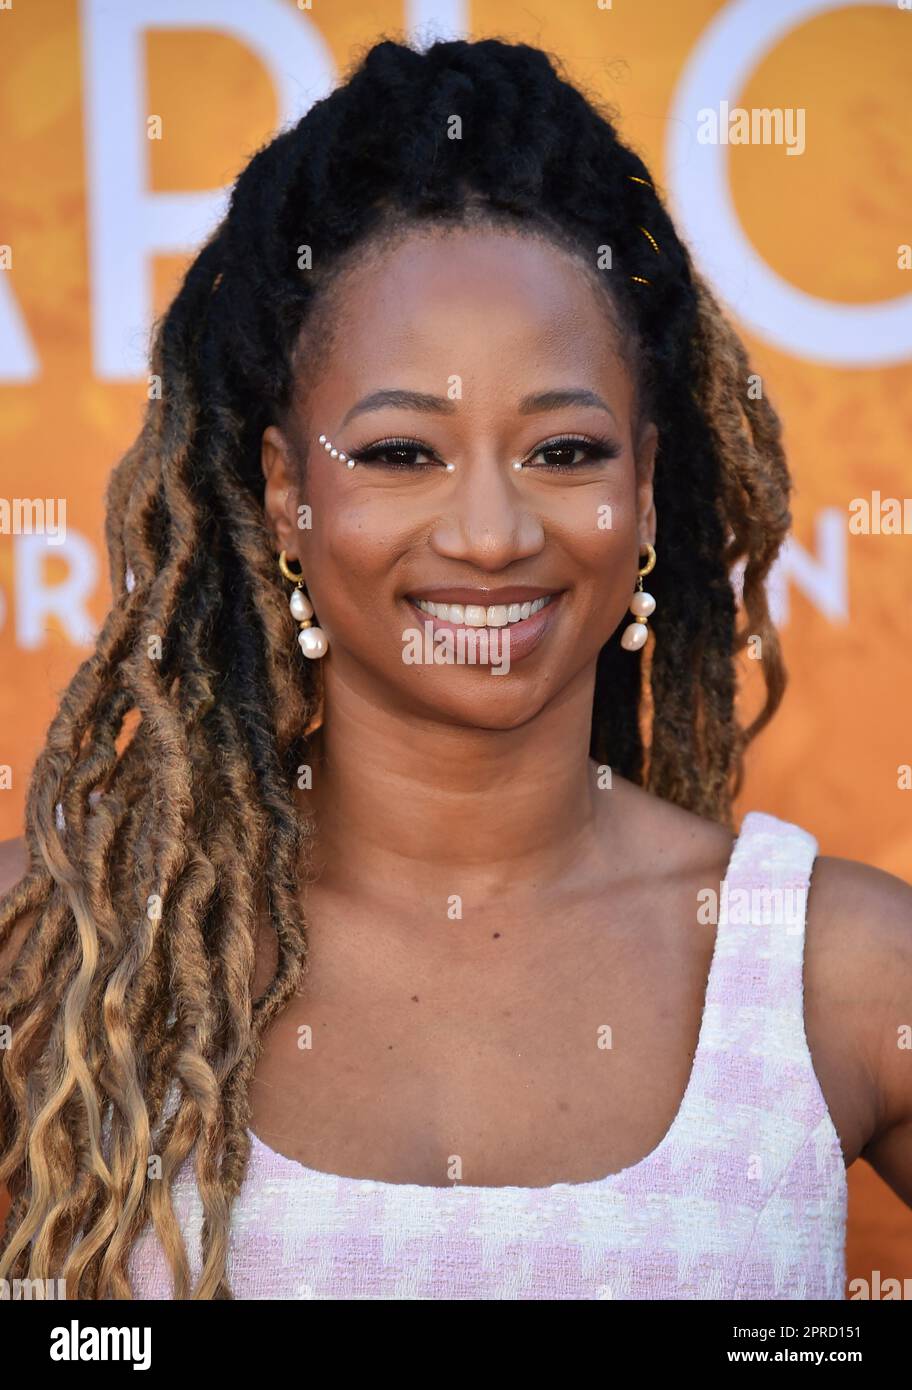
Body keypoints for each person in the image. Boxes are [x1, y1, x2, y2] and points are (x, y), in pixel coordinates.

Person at [0, 35, 909, 1302]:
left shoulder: (841, 971)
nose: (490, 532)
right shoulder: (60, 946)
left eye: (565, 450)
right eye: (398, 453)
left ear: (645, 492)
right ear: (282, 494)